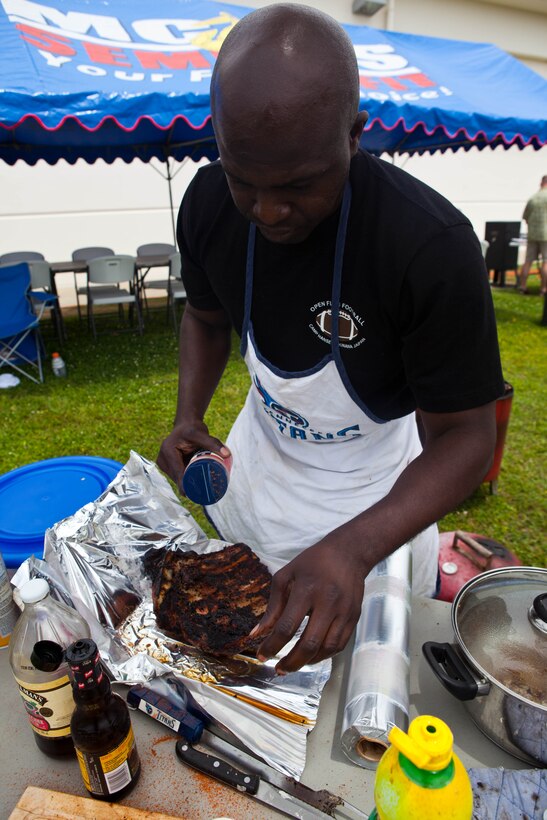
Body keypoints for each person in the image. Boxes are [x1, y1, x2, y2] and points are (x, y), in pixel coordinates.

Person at [157, 3, 504, 674]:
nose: (266, 212)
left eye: (296, 186)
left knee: (361, 682)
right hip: (263, 471)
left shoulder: (425, 246)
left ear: (352, 135)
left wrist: (352, 548)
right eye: (242, 179)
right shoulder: (205, 204)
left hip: (378, 492)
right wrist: (187, 416)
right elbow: (204, 316)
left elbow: (466, 439)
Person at [519, 175, 547, 295]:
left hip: (532, 234)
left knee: (528, 261)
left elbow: (525, 217)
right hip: (546, 235)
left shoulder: (533, 198)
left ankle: (522, 286)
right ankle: (543, 289)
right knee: (546, 262)